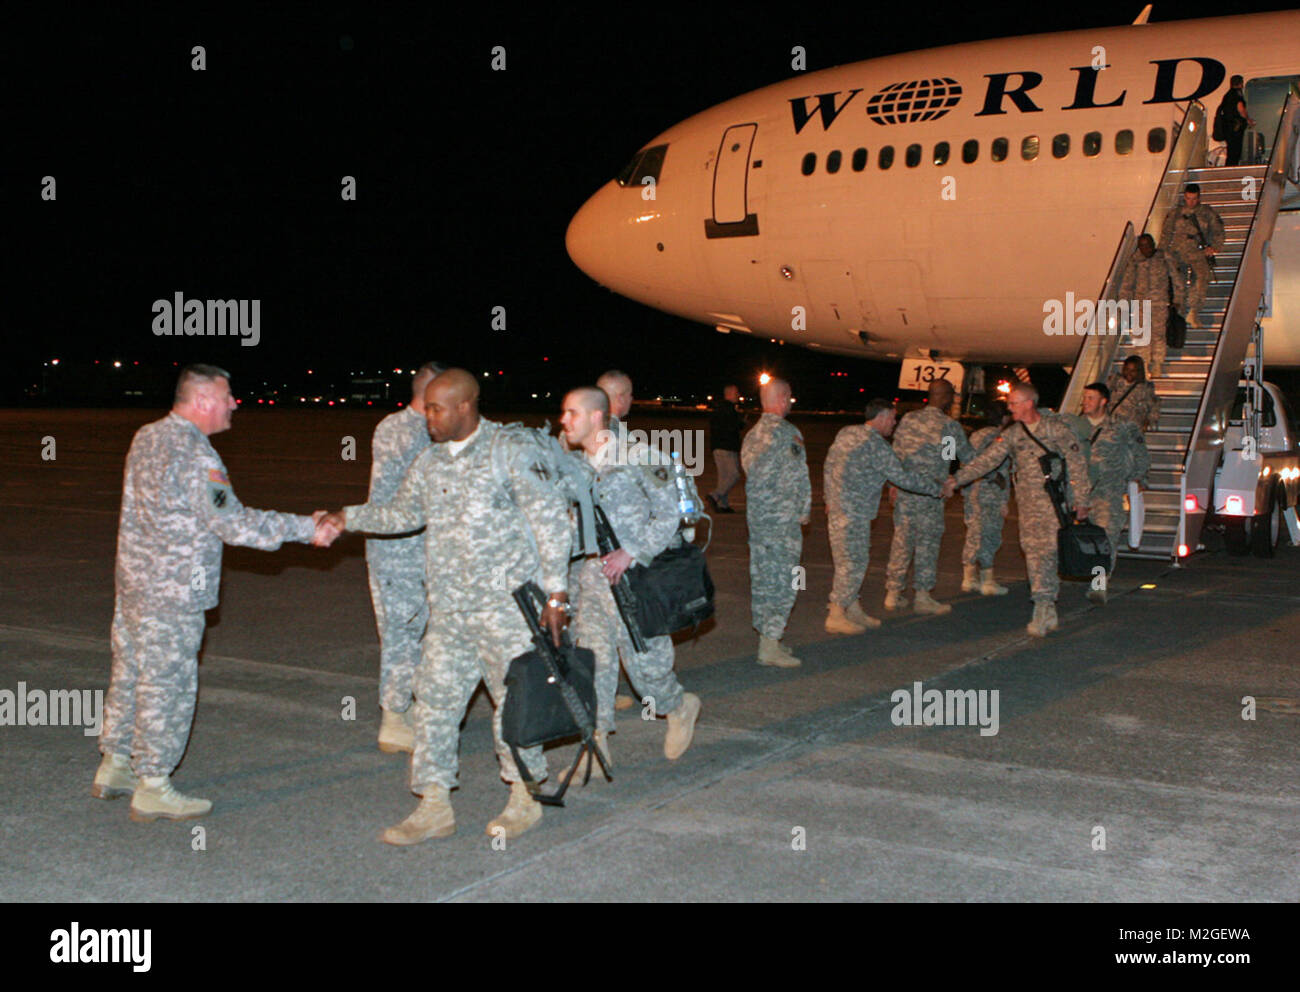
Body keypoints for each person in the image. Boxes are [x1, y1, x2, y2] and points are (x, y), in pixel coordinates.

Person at [324, 369, 571, 845]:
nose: (428, 417)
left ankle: (524, 796)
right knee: (433, 703)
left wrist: (557, 593)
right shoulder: (431, 461)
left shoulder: (511, 451)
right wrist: (347, 517)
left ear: (465, 406)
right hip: (450, 612)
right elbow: (402, 514)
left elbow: (551, 524)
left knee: (514, 707)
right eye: (426, 408)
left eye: (436, 409)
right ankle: (434, 805)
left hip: (507, 612)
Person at [95, 364, 336, 821]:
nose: (234, 404)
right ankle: (153, 784)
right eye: (228, 396)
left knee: (130, 674)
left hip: (134, 586)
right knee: (168, 684)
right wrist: (308, 527)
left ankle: (115, 764)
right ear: (203, 400)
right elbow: (234, 523)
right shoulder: (197, 454)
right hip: (173, 594)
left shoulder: (147, 436)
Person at [560, 387, 701, 764]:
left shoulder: (638, 456)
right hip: (592, 579)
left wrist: (632, 551)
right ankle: (596, 741)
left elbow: (671, 512)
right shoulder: (576, 465)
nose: (564, 420)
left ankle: (678, 706)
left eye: (571, 413)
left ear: (596, 417)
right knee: (593, 661)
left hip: (635, 580)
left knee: (646, 671)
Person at [947, 383, 1092, 638]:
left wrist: (1081, 500)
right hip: (1026, 507)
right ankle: (1046, 606)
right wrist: (957, 479)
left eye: (1013, 402)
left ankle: (1043, 605)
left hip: (1053, 505)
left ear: (1028, 403)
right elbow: (988, 460)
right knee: (1034, 553)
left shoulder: (1055, 429)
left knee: (1046, 553)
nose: (1009, 407)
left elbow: (1077, 463)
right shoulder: (1014, 433)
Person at [365, 361, 444, 755]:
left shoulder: (434, 429)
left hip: (425, 549)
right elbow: (405, 499)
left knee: (424, 633)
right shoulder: (400, 430)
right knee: (402, 635)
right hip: (398, 550)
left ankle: (409, 707)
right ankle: (394, 719)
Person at [823, 398, 944, 635]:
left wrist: (829, 498)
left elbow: (829, 464)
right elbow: (902, 478)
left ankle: (852, 607)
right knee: (852, 563)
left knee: (848, 560)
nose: (895, 423)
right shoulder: (876, 445)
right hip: (854, 513)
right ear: (881, 416)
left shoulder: (846, 433)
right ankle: (836, 613)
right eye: (892, 418)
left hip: (840, 510)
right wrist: (937, 488)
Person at [884, 380, 974, 615]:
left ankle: (893, 594)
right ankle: (922, 596)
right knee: (927, 544)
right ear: (945, 398)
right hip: (932, 495)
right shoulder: (949, 427)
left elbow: (896, 454)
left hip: (906, 491)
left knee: (902, 541)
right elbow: (961, 455)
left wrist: (893, 484)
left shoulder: (909, 419)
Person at [741, 377, 810, 667]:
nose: (790, 402)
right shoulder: (788, 432)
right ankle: (769, 644)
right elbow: (798, 476)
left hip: (758, 519)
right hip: (782, 521)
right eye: (789, 397)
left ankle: (769, 639)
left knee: (763, 576)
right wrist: (804, 510)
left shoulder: (751, 434)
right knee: (785, 579)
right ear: (781, 399)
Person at [1068, 383, 1150, 603]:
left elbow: (1140, 453)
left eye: (1091, 398)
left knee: (1105, 539)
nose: (1086, 402)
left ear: (1104, 401)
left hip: (1108, 493)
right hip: (1078, 492)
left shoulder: (1121, 427)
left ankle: (1099, 584)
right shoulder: (1074, 427)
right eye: (1084, 398)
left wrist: (1138, 478)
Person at [960, 403, 1013, 597]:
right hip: (989, 493)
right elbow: (985, 463)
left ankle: (969, 578)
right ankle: (987, 581)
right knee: (989, 535)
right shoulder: (995, 437)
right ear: (1004, 418)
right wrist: (995, 482)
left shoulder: (976, 435)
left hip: (973, 491)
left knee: (974, 534)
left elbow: (966, 461)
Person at [1159, 183, 1225, 329]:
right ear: (1184, 197)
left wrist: (1214, 247)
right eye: (1188, 198)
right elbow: (1166, 234)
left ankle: (1194, 312)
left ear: (1199, 197)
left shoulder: (1207, 213)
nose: (1191, 202)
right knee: (1179, 285)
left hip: (1198, 253)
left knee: (1201, 281)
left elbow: (1218, 230)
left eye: (1194, 199)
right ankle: (1179, 314)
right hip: (1178, 253)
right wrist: (1162, 253)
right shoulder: (1176, 213)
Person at [1118, 234, 1179, 378]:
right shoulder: (1135, 261)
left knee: (1158, 335)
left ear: (1153, 244)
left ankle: (1157, 364)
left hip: (1159, 303)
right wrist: (1123, 304)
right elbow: (1127, 284)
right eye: (1142, 246)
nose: (1146, 248)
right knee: (1141, 336)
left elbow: (1177, 278)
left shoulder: (1164, 258)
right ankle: (1144, 365)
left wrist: (1178, 299)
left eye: (1148, 244)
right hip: (1141, 304)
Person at [706, 384, 744, 514]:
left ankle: (723, 504)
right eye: (736, 393)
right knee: (734, 475)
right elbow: (732, 427)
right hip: (727, 446)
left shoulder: (718, 408)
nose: (738, 395)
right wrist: (741, 423)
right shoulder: (729, 409)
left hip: (717, 446)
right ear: (730, 394)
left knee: (724, 477)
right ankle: (715, 496)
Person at [1106, 356, 1161, 433]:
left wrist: (1148, 421)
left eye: (1133, 371)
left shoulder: (1146, 388)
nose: (1129, 373)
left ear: (1139, 371)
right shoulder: (1114, 381)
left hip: (1133, 428)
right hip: (1113, 425)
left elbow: (1154, 407)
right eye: (1127, 369)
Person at [1215, 75, 1255, 167]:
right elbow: (1240, 108)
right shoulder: (1237, 94)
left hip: (1227, 127)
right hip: (1236, 128)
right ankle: (1232, 167)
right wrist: (1248, 119)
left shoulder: (1227, 95)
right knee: (1235, 151)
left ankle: (1229, 167)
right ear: (1241, 84)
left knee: (1231, 151)